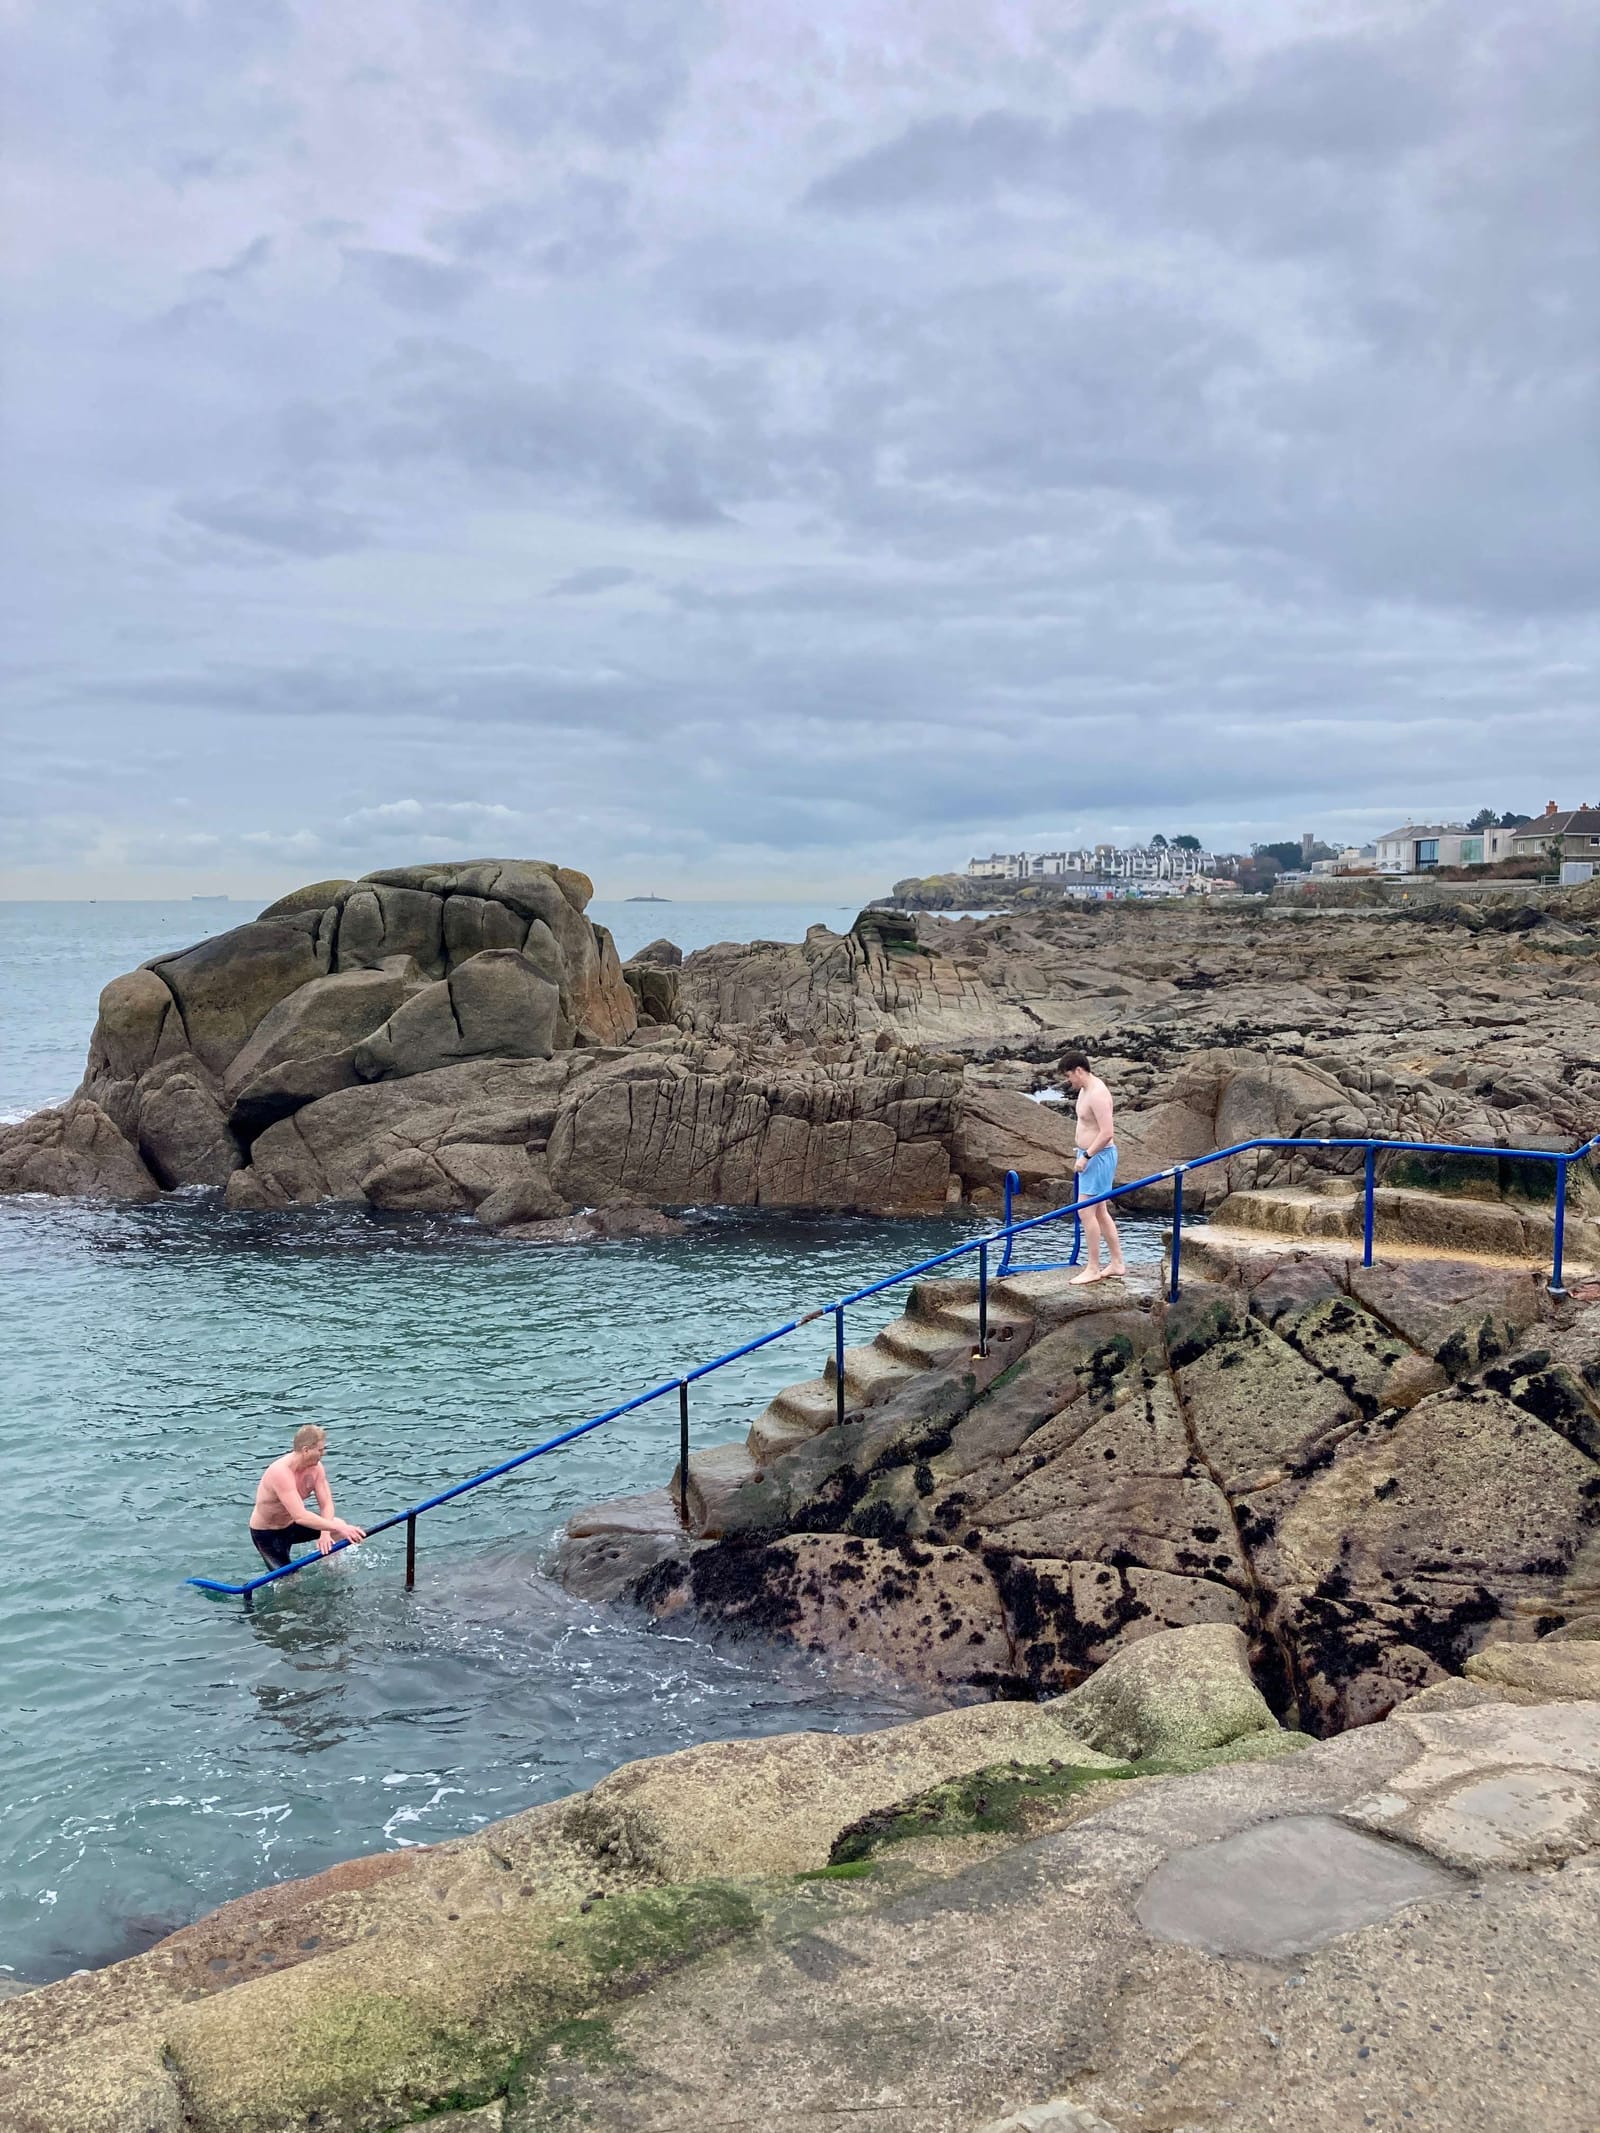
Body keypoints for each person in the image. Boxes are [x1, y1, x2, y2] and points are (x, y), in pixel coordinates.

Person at [248, 1425, 366, 1570]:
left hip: (292, 1526)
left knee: (337, 1528)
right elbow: (301, 1516)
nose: (324, 1453)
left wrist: (325, 1533)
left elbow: (326, 1504)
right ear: (306, 1450)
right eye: (320, 1450)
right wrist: (341, 1527)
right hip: (268, 1533)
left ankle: (331, 1571)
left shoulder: (316, 1468)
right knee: (291, 1579)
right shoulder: (281, 1472)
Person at [1060, 1051, 1127, 1284]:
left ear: (1079, 1070)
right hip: (1089, 1156)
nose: (1069, 1081)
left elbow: (1107, 1132)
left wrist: (1086, 1156)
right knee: (1099, 1211)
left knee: (1085, 1210)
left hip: (1098, 1158)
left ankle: (1093, 1267)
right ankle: (1117, 1263)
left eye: (1070, 1076)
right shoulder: (1084, 1090)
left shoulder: (1098, 1093)